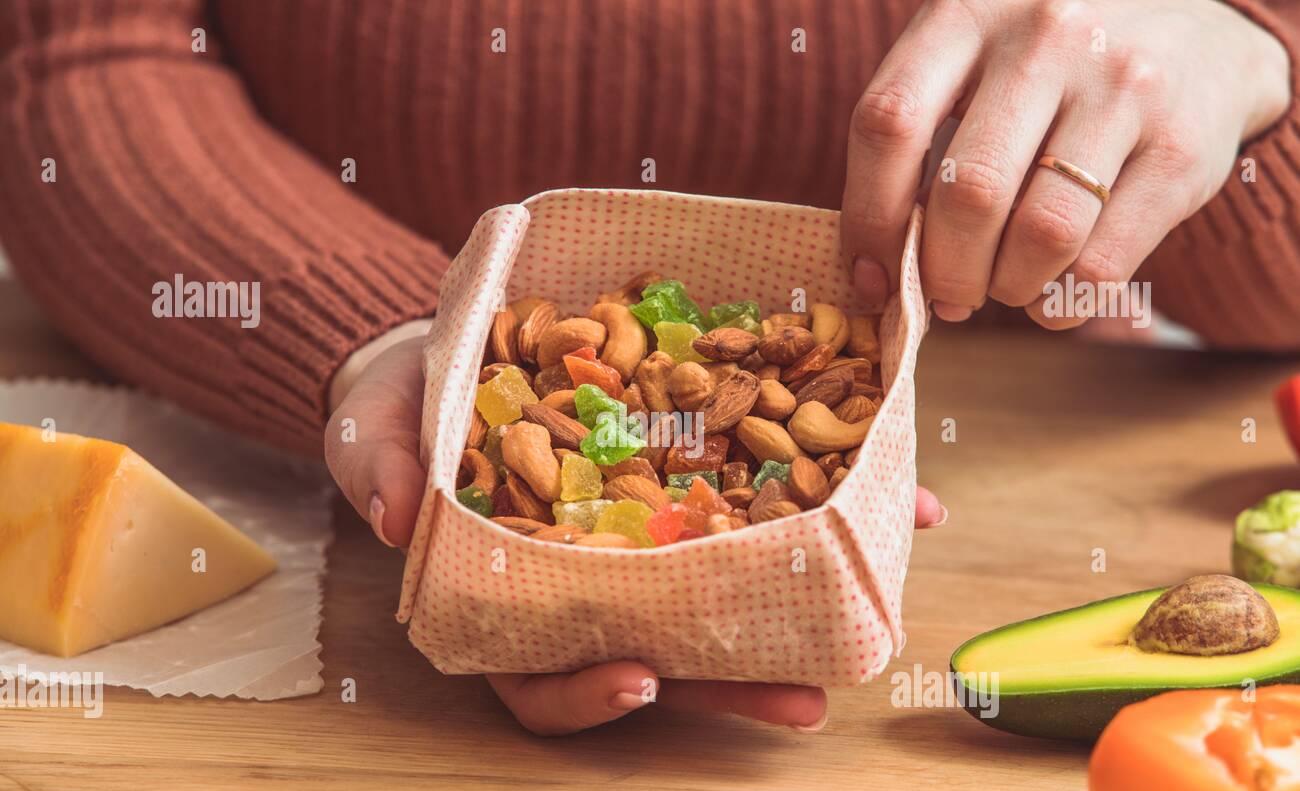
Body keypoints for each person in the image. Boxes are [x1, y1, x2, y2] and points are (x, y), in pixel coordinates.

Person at [0, 0, 1294, 734]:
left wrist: (1252, 56)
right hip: (337, 406)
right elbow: (79, 56)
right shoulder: (594, 397)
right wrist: (392, 341)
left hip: (1055, 429)